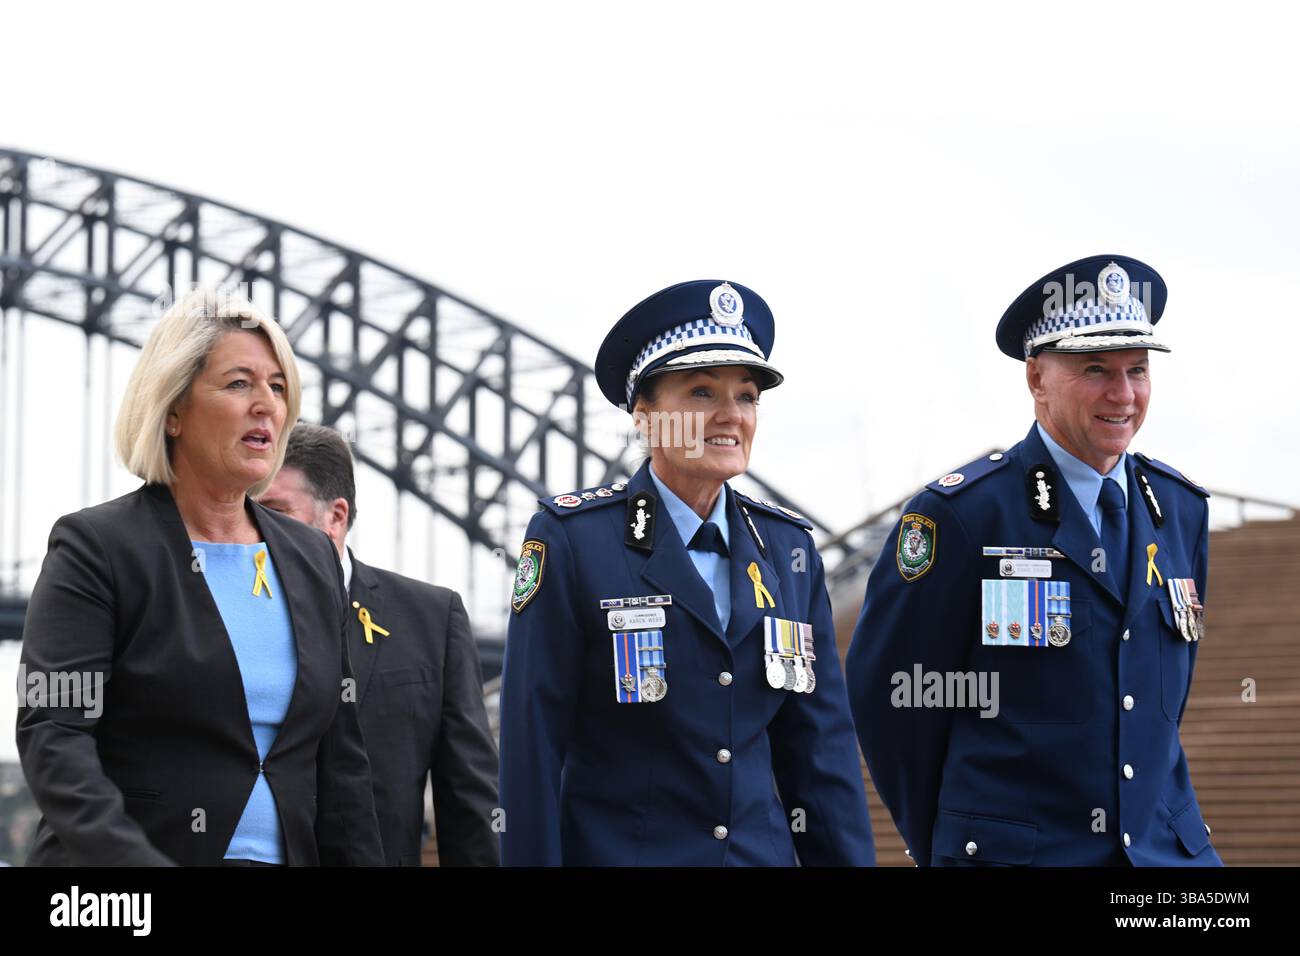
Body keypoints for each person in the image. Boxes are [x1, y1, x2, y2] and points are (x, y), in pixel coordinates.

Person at [846, 255, 1220, 866]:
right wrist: (957, 842)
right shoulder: (964, 516)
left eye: (1137, 370)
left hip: (1165, 858)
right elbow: (896, 697)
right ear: (1036, 378)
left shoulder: (1178, 509)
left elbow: (1158, 706)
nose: (1122, 394)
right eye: (1095, 369)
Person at [499, 279, 875, 865]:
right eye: (702, 393)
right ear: (645, 416)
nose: (731, 416)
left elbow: (820, 752)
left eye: (747, 396)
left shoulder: (788, 550)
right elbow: (531, 750)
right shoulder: (574, 541)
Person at [17, 289, 383, 866]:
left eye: (278, 386)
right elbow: (54, 737)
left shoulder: (311, 558)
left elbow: (342, 769)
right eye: (239, 383)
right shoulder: (96, 548)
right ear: (173, 411)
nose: (266, 404)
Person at [258, 422, 500, 866]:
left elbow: (470, 802)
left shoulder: (431, 619)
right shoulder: (216, 611)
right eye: (249, 513)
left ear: (335, 518)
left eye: (276, 511)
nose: (256, 531)